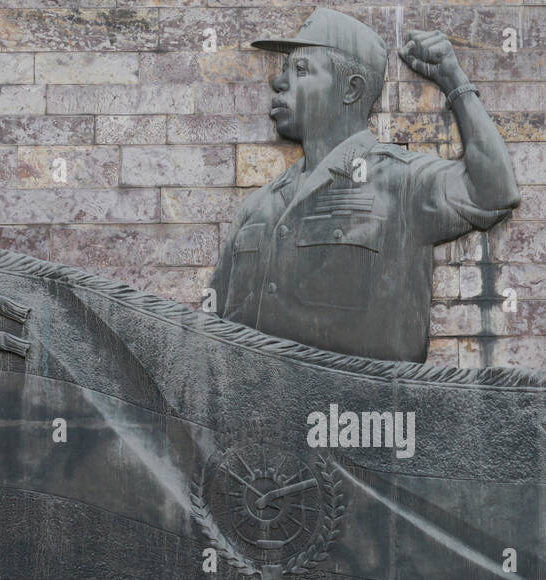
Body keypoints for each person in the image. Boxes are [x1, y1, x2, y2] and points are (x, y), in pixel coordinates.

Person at [213, 8, 520, 362]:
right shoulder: (257, 208)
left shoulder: (401, 180)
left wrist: (455, 82)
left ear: (351, 88)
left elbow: (495, 192)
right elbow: (210, 334)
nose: (278, 82)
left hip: (368, 415)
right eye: (284, 70)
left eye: (300, 70)